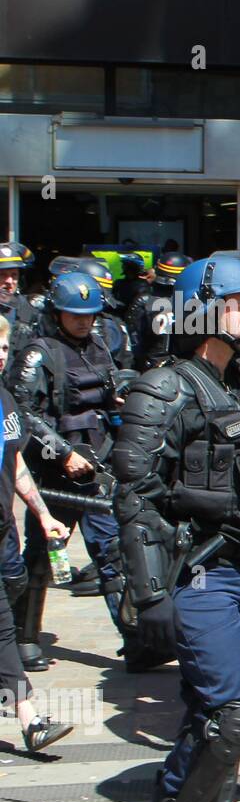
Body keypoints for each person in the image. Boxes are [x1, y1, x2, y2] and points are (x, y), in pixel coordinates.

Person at [112, 254, 240, 802]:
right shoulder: (166, 387)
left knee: (216, 709)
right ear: (206, 311)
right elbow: (135, 495)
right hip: (196, 572)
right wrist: (152, 592)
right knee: (236, 711)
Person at [8, 272, 145, 671]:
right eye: (74, 315)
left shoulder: (99, 345)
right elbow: (24, 416)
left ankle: (135, 638)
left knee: (115, 553)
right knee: (41, 557)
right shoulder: (38, 354)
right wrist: (63, 453)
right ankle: (24, 639)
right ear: (57, 312)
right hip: (54, 474)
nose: (83, 321)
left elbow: (107, 398)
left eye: (89, 315)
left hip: (99, 464)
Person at [0, 316, 74, 754]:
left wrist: (43, 515)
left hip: (4, 535)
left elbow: (16, 465)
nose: (0, 356)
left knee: (10, 604)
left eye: (4, 348)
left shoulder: (6, 400)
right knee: (4, 629)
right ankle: (30, 720)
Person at [129, 252, 192, 370]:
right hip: (184, 368)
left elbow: (134, 342)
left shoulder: (144, 301)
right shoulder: (192, 302)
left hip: (151, 369)